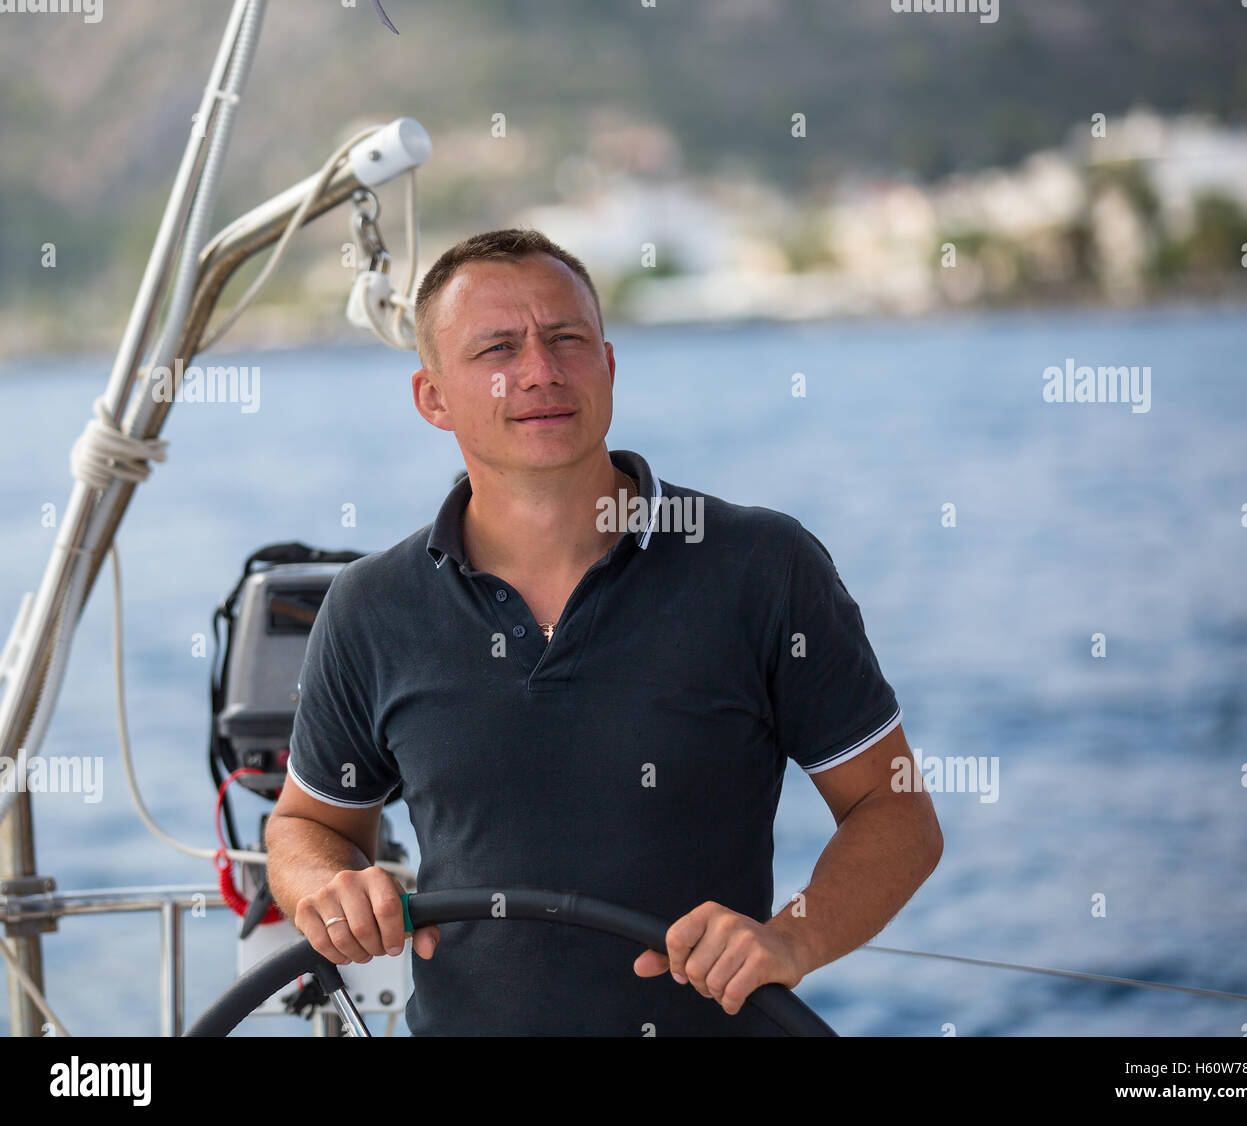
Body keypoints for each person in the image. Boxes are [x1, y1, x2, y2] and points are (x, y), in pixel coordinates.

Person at [265, 228, 943, 1036]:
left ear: (609, 366)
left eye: (566, 339)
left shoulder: (762, 566)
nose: (541, 371)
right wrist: (326, 886)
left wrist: (791, 940)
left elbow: (896, 812)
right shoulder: (370, 606)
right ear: (434, 398)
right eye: (497, 349)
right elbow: (307, 827)